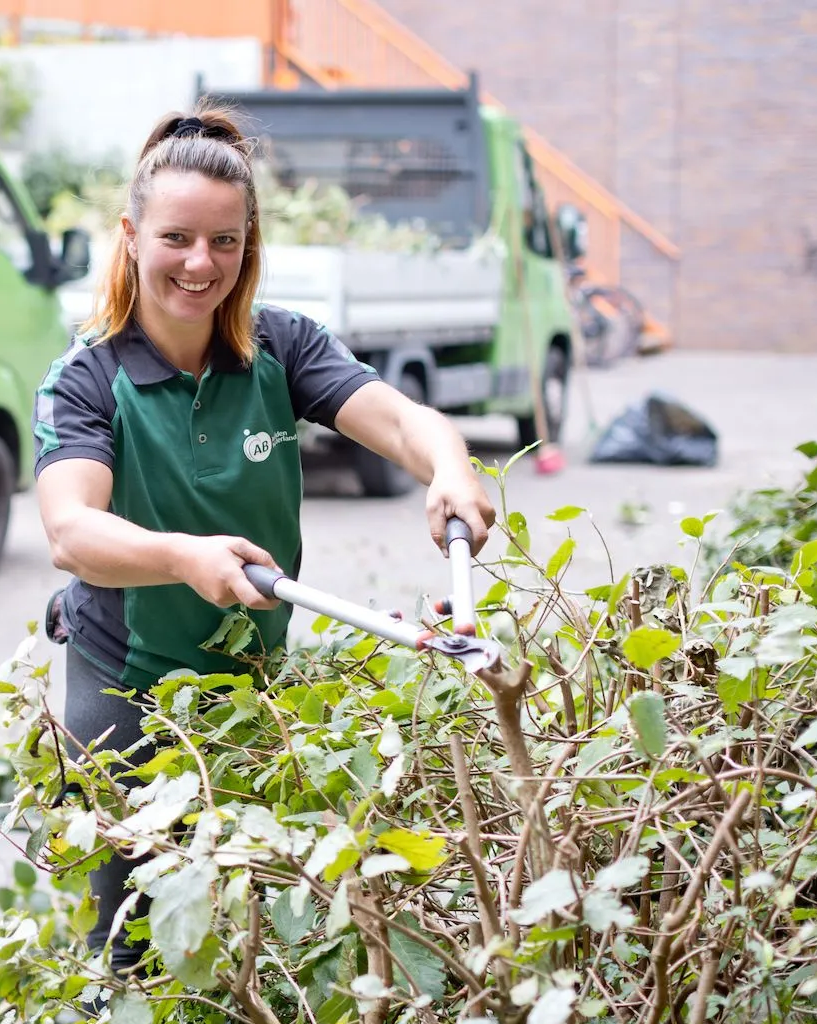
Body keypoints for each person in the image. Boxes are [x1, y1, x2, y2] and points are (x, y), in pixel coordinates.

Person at [33, 101, 497, 977]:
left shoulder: (281, 346)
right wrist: (184, 555)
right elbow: (72, 531)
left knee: (254, 932)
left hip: (253, 681)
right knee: (131, 941)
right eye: (176, 238)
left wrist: (447, 463)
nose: (200, 264)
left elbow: (402, 423)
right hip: (126, 686)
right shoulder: (86, 378)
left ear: (251, 244)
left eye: (226, 242)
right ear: (131, 236)